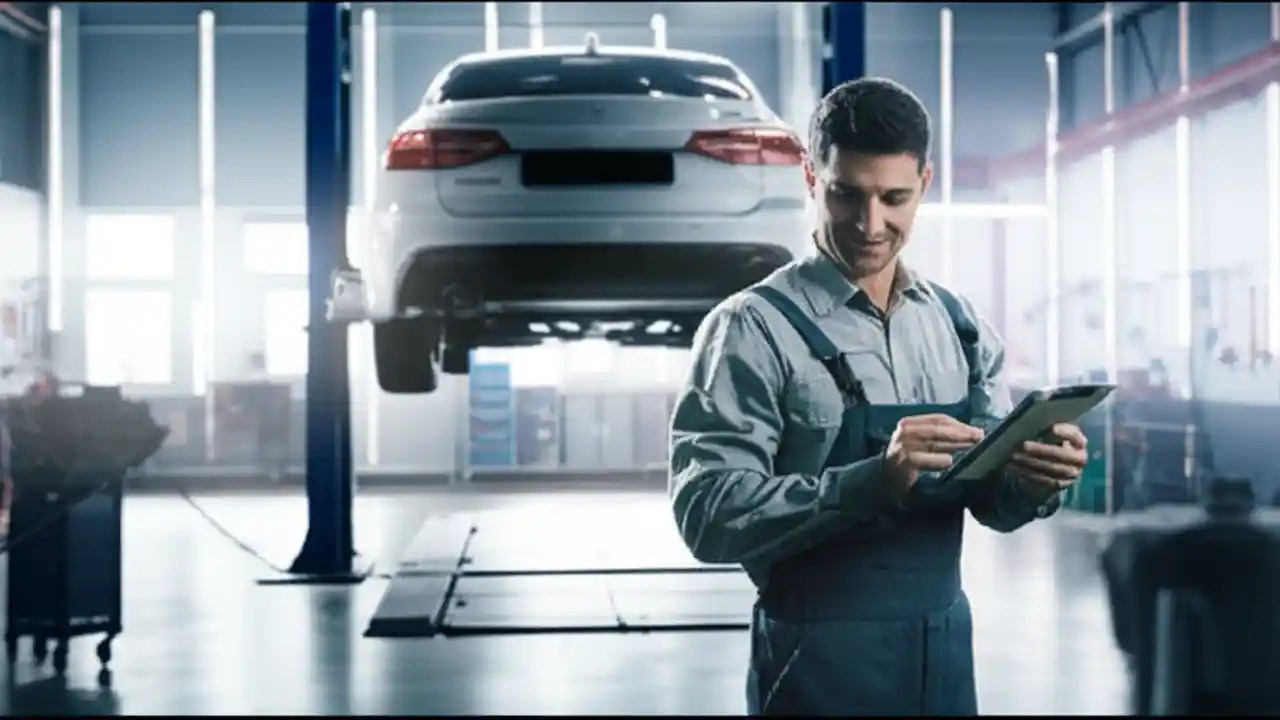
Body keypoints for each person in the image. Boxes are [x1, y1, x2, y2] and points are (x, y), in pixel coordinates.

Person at [668, 78, 1090, 716]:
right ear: (813, 179)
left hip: (943, 659)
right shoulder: (753, 329)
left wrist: (1035, 481)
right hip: (815, 662)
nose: (871, 224)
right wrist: (870, 480)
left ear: (925, 182)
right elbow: (707, 515)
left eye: (894, 198)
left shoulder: (958, 325)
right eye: (847, 195)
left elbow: (994, 505)